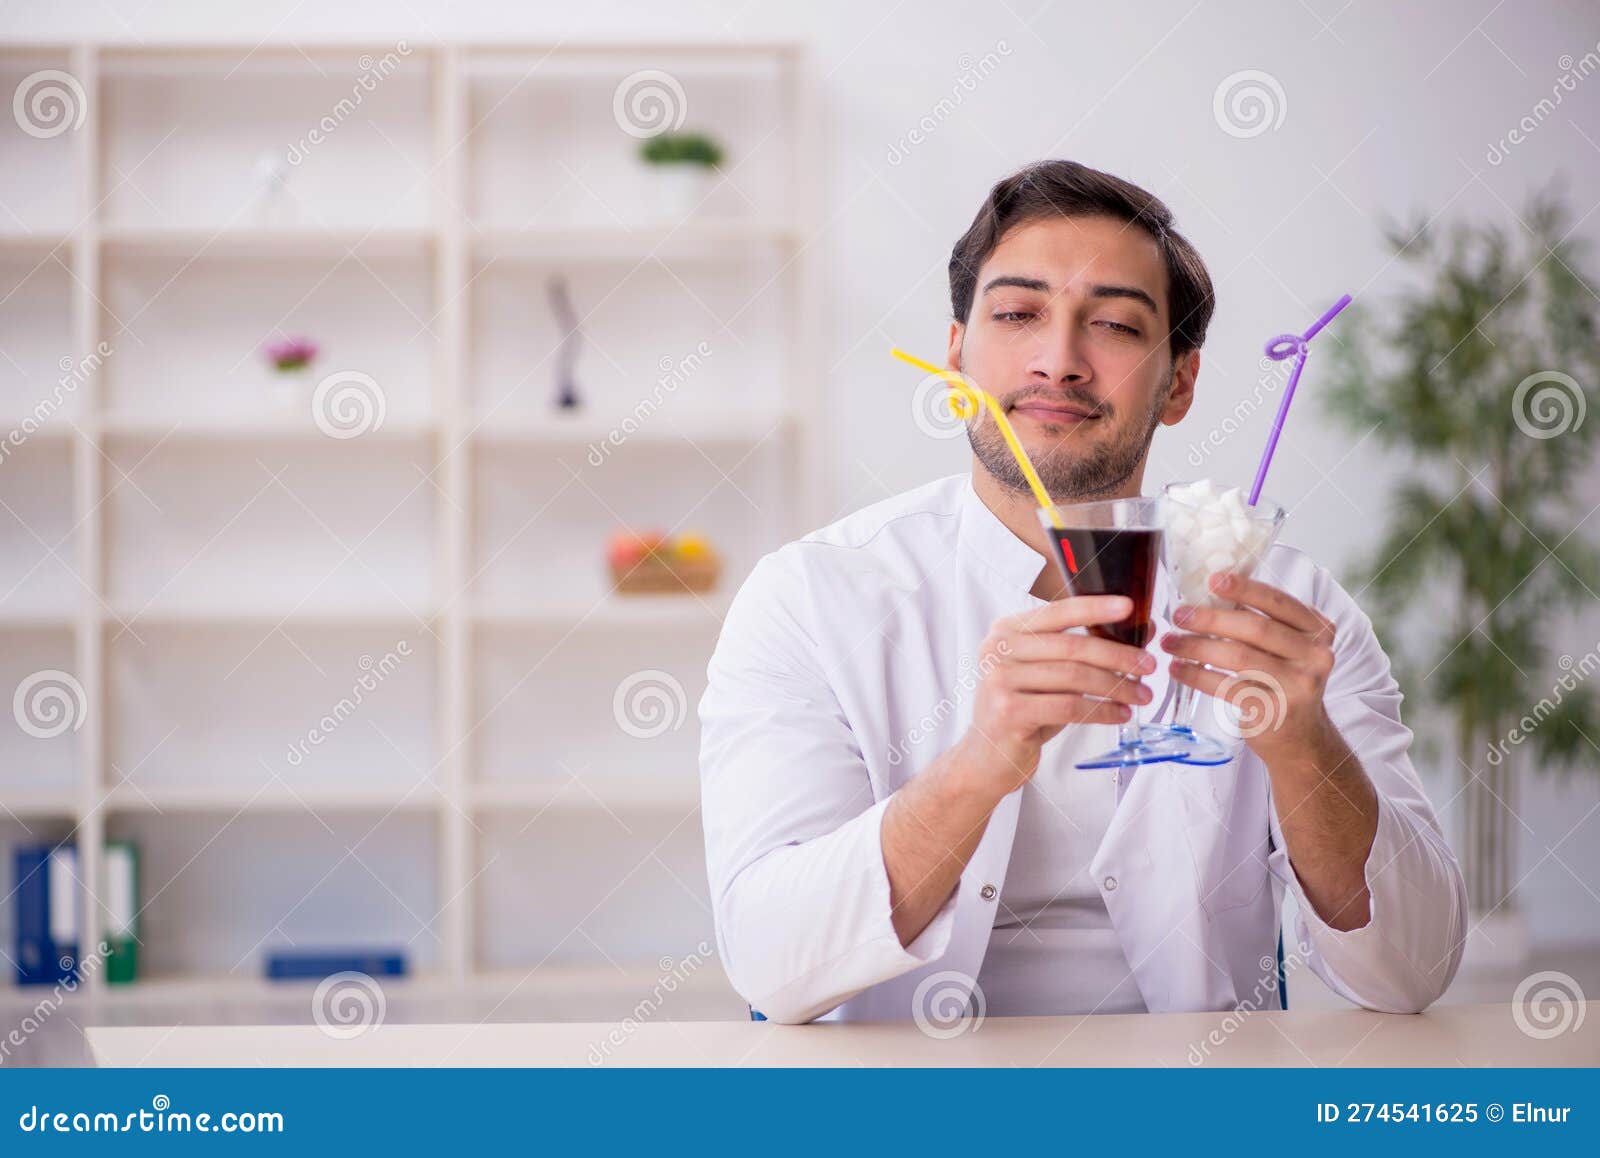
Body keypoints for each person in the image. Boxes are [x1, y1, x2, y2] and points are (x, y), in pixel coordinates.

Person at [698, 159, 1467, 1025]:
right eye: (1018, 314)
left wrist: (1303, 747)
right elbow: (770, 962)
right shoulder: (812, 598)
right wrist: (975, 769)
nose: (1058, 361)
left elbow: (1415, 971)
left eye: (1112, 325)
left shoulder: (1286, 610)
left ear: (1178, 382)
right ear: (957, 359)